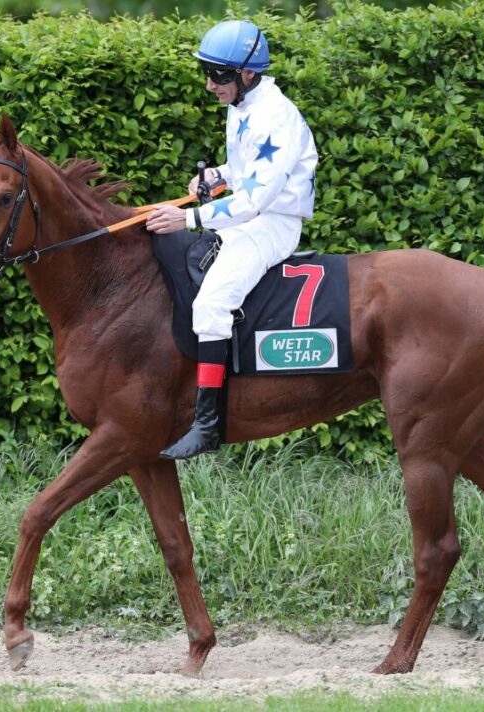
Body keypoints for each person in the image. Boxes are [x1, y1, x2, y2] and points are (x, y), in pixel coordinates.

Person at [146, 19, 319, 460]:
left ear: (248, 73)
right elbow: (243, 169)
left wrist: (187, 219)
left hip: (271, 224)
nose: (209, 85)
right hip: (250, 215)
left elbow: (256, 200)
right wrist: (216, 176)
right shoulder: (242, 105)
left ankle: (207, 425)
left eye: (218, 75)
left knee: (211, 303)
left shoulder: (275, 115)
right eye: (207, 72)